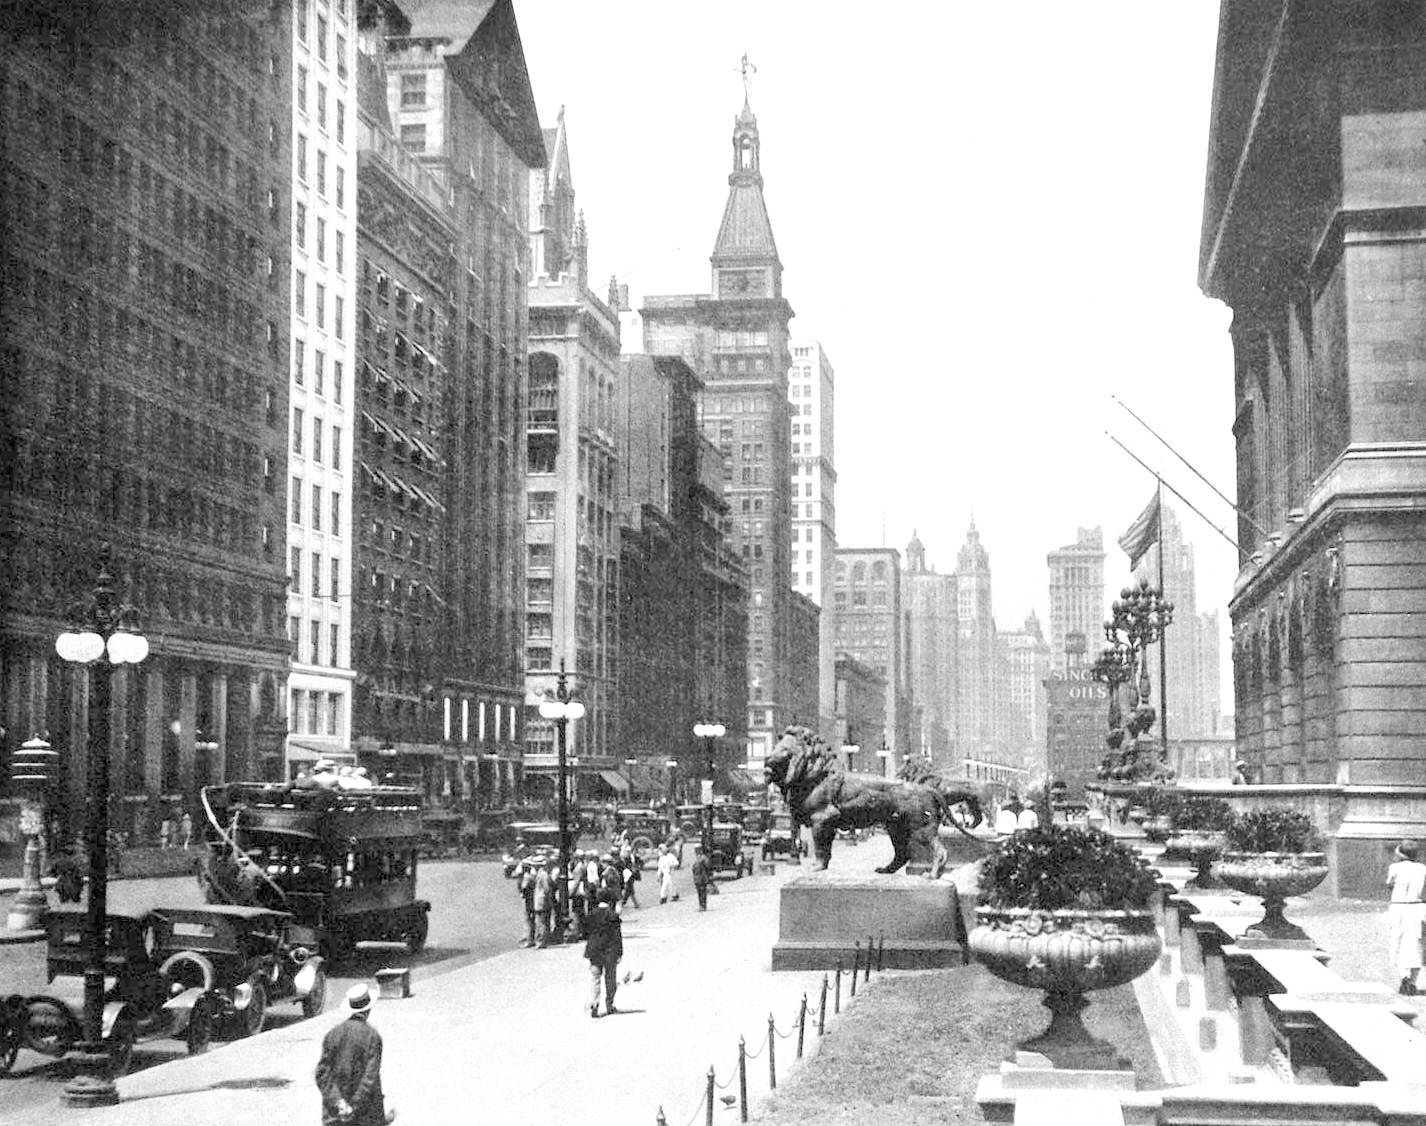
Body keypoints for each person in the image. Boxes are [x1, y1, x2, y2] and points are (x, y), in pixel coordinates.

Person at [315, 983, 393, 1125]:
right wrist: (353, 1107)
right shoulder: (372, 1036)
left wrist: (339, 1102)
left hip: (335, 1115)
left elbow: (322, 1074)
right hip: (365, 1115)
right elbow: (370, 1077)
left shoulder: (332, 1035)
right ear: (368, 1009)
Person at [1386, 839, 1426, 995]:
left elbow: (1389, 884)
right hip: (1417, 907)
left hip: (1398, 906)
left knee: (1398, 941)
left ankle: (1404, 976)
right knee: (1417, 943)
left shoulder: (1394, 867)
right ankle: (1413, 981)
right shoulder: (1423, 868)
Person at [584, 887, 624, 1018]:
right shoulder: (613, 916)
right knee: (610, 978)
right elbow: (617, 935)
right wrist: (620, 952)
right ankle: (609, 1004)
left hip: (594, 949)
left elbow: (586, 931)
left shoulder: (591, 914)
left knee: (595, 978)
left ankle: (594, 1004)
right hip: (609, 950)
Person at [533, 857, 556, 947]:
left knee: (541, 921)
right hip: (541, 899)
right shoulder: (542, 874)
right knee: (542, 921)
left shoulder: (542, 874)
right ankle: (543, 940)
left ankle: (541, 941)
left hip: (541, 900)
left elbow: (546, 889)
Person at [516, 860, 538, 948]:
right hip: (533, 899)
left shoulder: (526, 877)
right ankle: (532, 938)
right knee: (532, 920)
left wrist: (522, 893)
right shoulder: (533, 876)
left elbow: (524, 887)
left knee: (528, 920)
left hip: (528, 900)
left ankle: (529, 939)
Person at [691, 845, 712, 911]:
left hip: (702, 878)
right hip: (697, 878)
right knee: (699, 893)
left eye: (697, 850)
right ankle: (701, 905)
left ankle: (703, 906)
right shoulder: (697, 858)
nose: (696, 851)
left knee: (702, 892)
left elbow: (708, 866)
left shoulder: (703, 857)